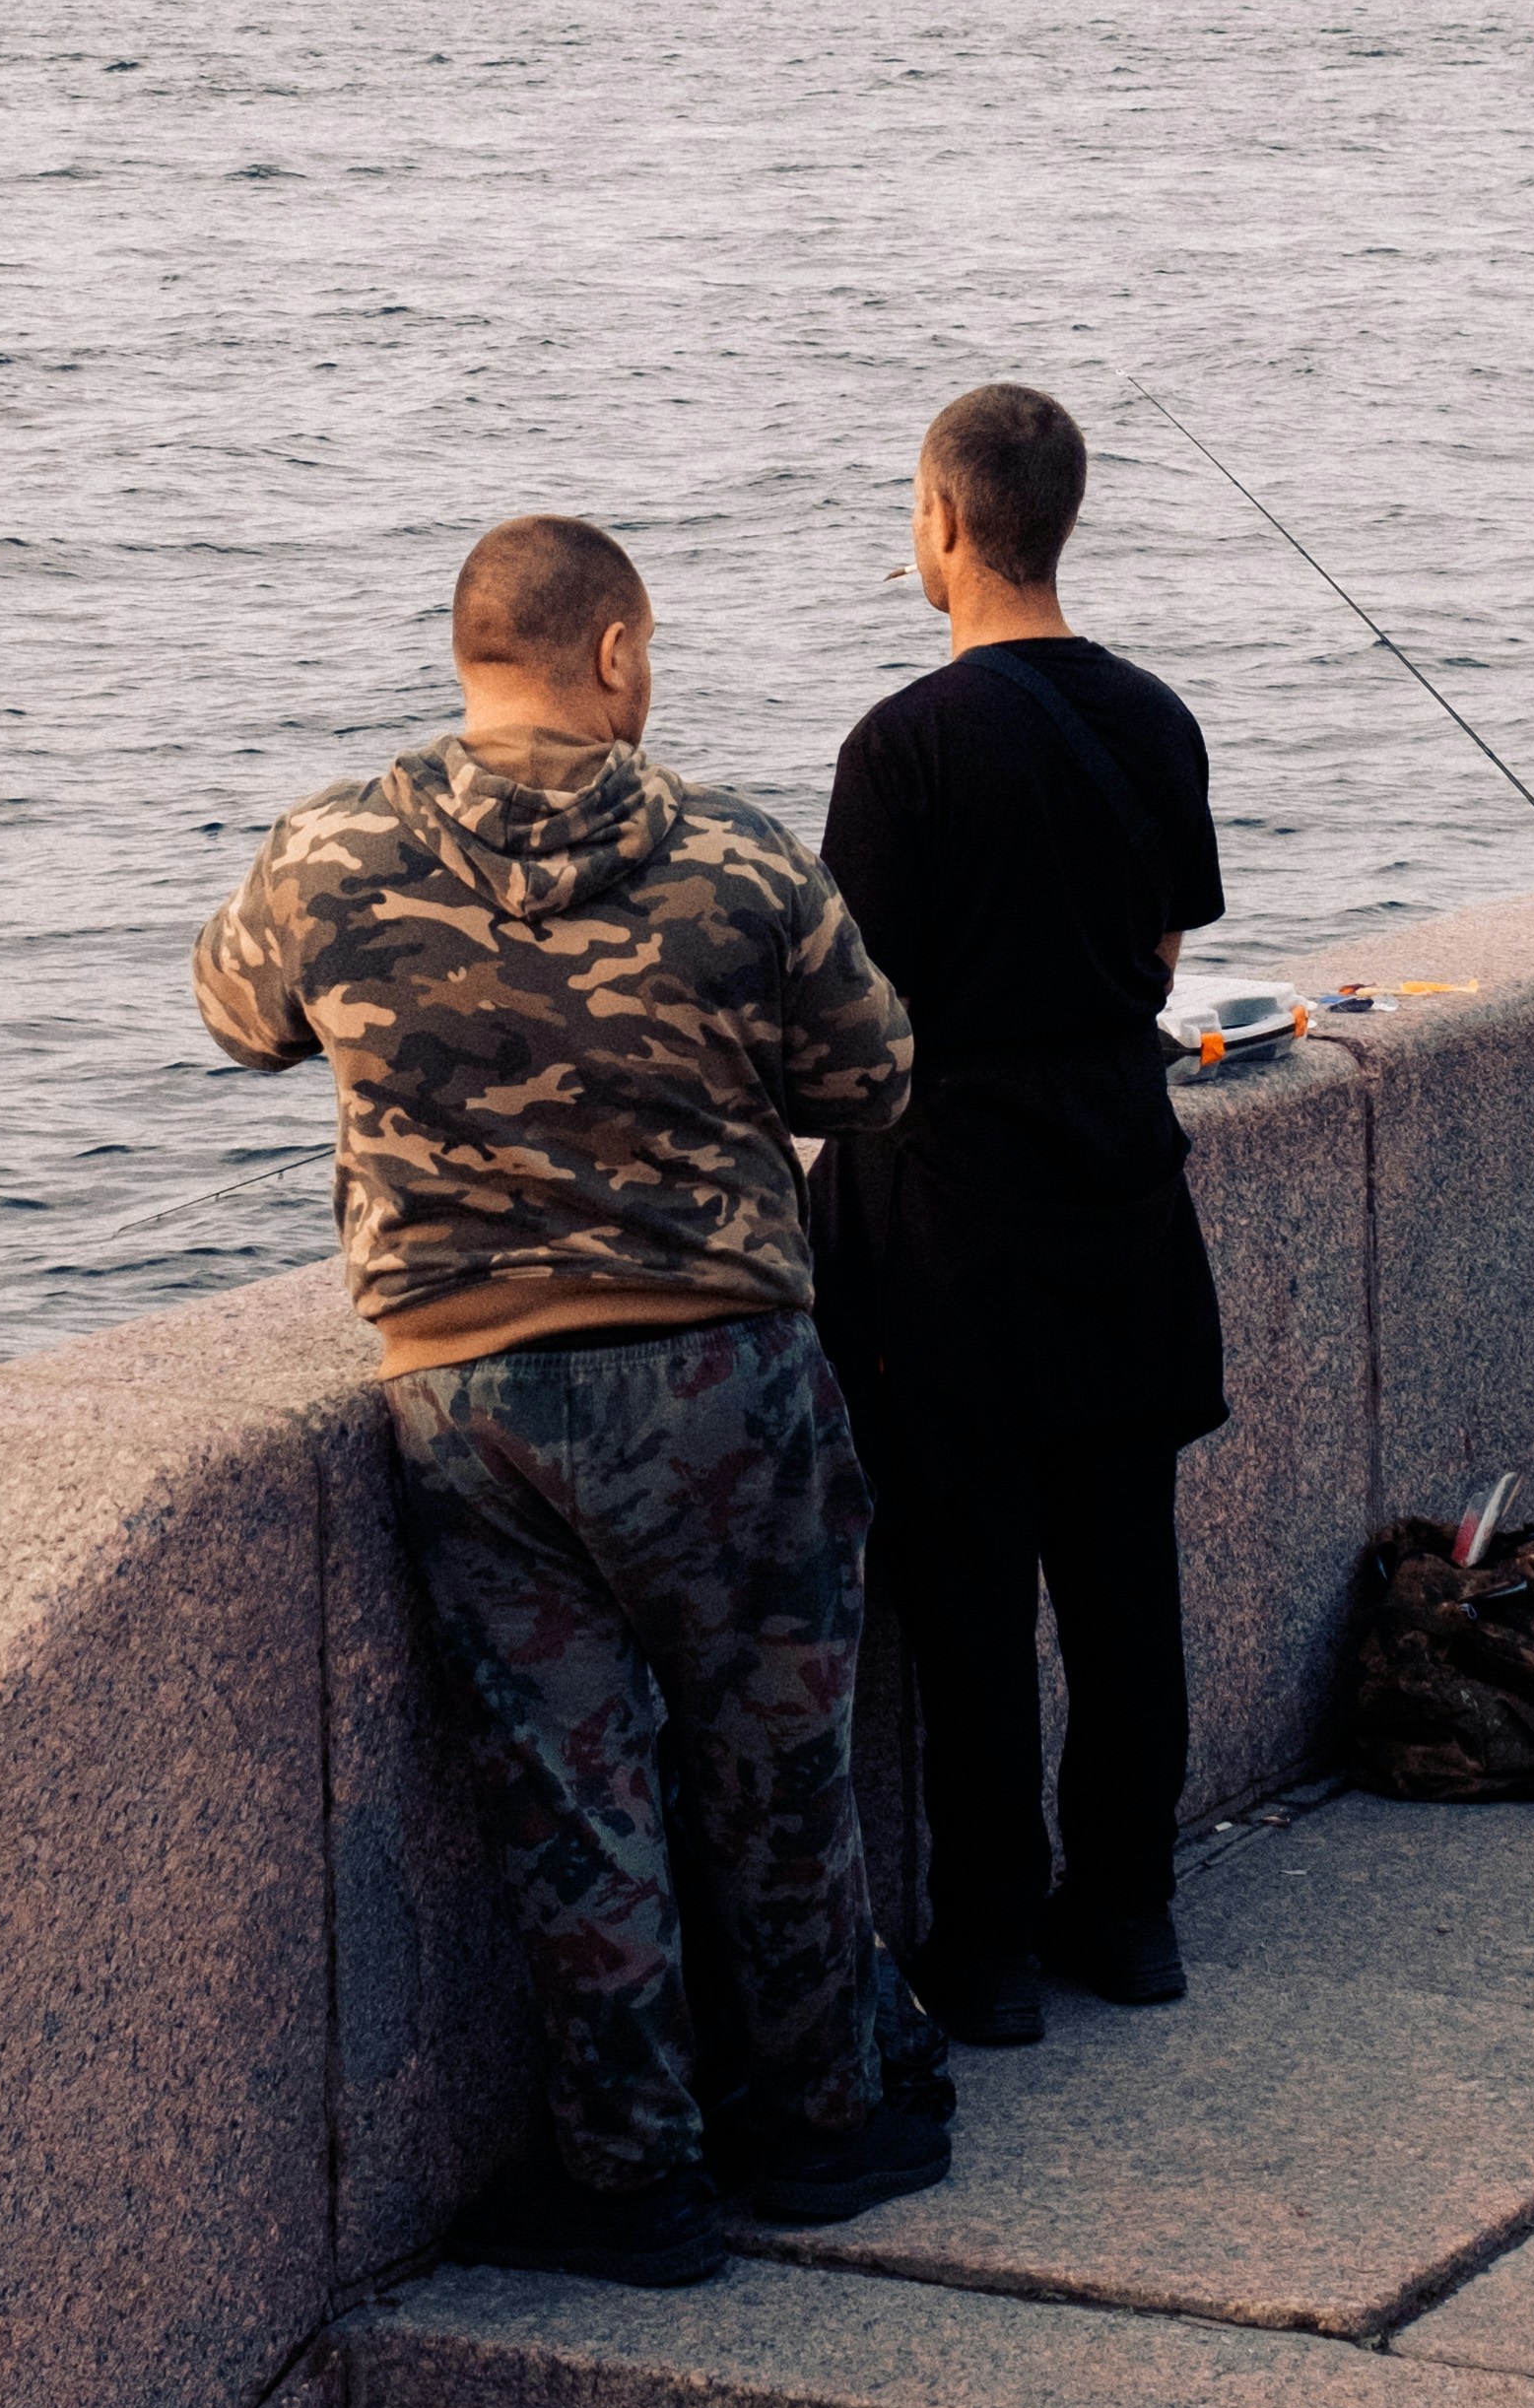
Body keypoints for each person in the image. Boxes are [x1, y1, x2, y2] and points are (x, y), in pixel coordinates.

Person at [192, 506, 943, 2288]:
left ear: (470, 656)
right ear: (612, 652)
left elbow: (235, 1020)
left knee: (568, 1799)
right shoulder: (735, 855)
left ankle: (637, 2183)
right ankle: (821, 2127)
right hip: (721, 1376)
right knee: (775, 1771)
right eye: (647, 651)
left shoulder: (326, 853)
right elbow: (877, 1080)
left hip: (470, 1394)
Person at [818, 380, 1228, 2050]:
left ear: (941, 521)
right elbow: (1160, 963)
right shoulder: (1154, 719)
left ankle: (984, 1948)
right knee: (1124, 1579)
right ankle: (1125, 1914)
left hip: (951, 1233)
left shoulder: (898, 746)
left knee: (969, 1595)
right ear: (1060, 518)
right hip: (1119, 1196)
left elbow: (851, 1023)